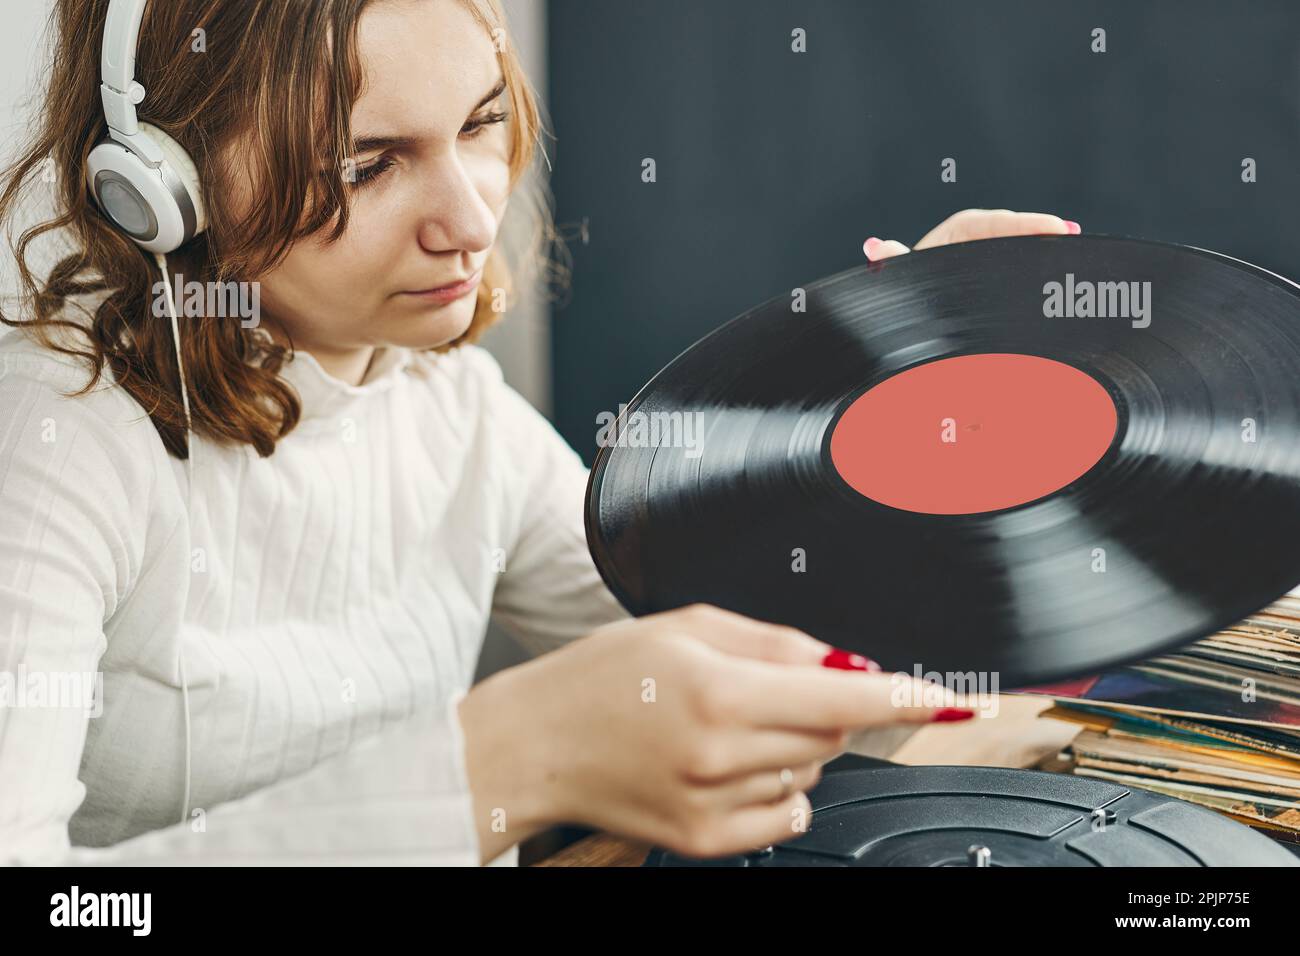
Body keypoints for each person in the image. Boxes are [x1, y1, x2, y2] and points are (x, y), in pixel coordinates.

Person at [0, 0, 1081, 865]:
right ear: (160, 187)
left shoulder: (452, 409)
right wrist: (504, 762)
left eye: (478, 124)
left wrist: (896, 432)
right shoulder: (52, 447)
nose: (471, 219)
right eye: (365, 165)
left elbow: (760, 671)